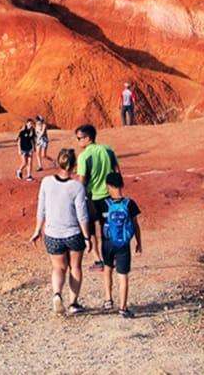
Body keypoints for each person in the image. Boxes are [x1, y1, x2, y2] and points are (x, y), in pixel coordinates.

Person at [30, 147, 91, 315]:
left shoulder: (46, 182)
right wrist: (87, 237)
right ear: (74, 165)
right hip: (73, 234)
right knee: (75, 267)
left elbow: (41, 209)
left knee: (58, 268)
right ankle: (73, 303)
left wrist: (37, 230)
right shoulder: (77, 187)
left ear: (59, 162)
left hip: (52, 234)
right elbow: (82, 215)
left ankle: (57, 293)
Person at [75, 124, 120, 272]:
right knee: (108, 227)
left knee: (91, 230)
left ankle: (98, 260)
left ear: (88, 138)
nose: (78, 141)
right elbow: (117, 171)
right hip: (109, 196)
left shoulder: (84, 157)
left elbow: (81, 181)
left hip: (92, 197)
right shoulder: (108, 150)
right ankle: (113, 257)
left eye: (79, 138)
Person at [100, 172, 142, 318]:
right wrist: (138, 242)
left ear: (108, 186)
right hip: (123, 244)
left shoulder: (104, 204)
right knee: (123, 275)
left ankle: (108, 300)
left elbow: (98, 222)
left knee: (107, 269)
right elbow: (135, 225)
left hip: (107, 243)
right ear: (122, 185)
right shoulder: (130, 203)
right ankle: (123, 308)